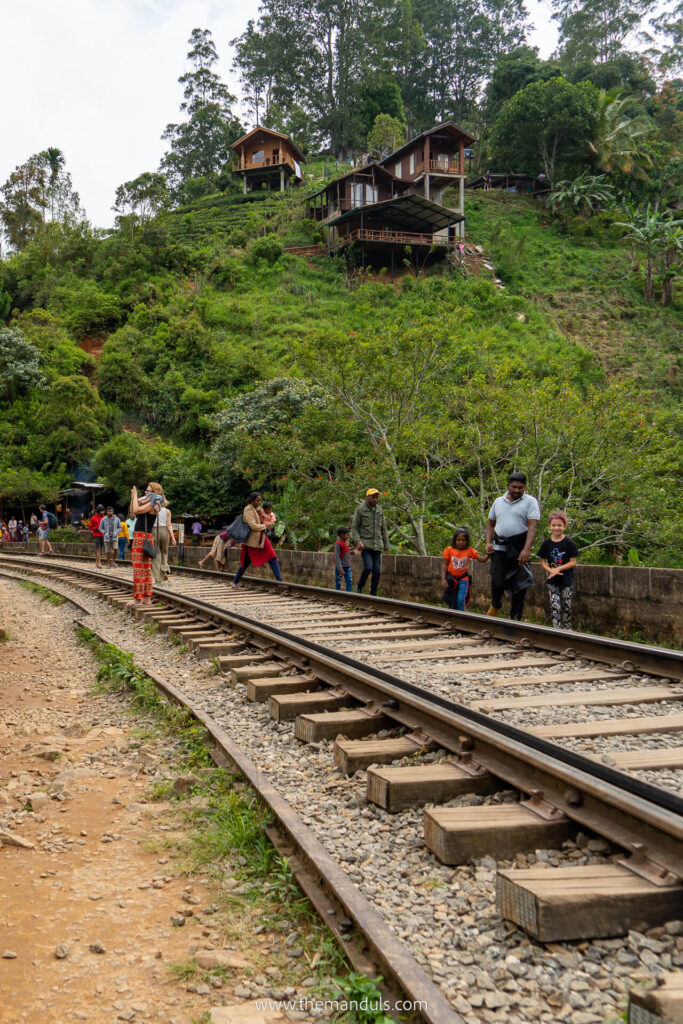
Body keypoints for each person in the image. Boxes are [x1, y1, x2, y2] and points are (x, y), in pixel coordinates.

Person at [485, 472, 540, 620]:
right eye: (514, 487)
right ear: (508, 486)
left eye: (520, 488)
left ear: (524, 487)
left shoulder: (530, 502)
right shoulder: (498, 501)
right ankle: (495, 604)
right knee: (497, 581)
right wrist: (488, 542)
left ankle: (515, 618)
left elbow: (532, 527)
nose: (516, 490)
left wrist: (526, 550)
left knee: (520, 586)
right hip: (500, 548)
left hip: (519, 548)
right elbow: (490, 525)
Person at [232, 491, 283, 586]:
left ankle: (280, 582)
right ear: (252, 500)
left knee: (272, 556)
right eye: (257, 501)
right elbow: (253, 526)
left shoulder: (258, 508)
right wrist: (265, 526)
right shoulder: (248, 509)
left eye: (260, 501)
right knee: (246, 561)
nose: (259, 503)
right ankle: (235, 581)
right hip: (251, 540)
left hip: (261, 538)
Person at [538, 512, 579, 630]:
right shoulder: (546, 544)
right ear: (549, 526)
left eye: (559, 525)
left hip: (567, 579)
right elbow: (542, 562)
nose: (556, 528)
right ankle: (556, 628)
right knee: (555, 604)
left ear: (564, 526)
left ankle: (567, 627)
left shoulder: (569, 543)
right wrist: (551, 570)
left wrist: (558, 569)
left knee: (567, 604)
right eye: (554, 525)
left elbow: (573, 562)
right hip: (552, 579)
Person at [350, 488, 390, 596]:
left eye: (376, 497)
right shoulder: (360, 509)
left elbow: (384, 529)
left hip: (377, 545)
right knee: (368, 567)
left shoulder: (380, 510)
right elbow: (354, 528)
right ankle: (359, 586)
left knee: (377, 571)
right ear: (368, 497)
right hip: (365, 545)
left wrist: (387, 546)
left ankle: (373, 594)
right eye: (373, 497)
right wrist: (358, 541)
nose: (375, 499)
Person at [128, 482, 162, 606]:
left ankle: (138, 599)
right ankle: (147, 598)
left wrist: (135, 495)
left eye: (149, 491)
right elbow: (133, 510)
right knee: (146, 569)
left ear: (155, 492)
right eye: (146, 491)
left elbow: (136, 510)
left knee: (138, 569)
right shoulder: (152, 503)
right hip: (144, 537)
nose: (146, 493)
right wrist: (133, 498)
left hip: (141, 538)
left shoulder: (152, 504)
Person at [441, 527, 489, 611]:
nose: (461, 542)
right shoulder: (449, 550)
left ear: (467, 541)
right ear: (454, 540)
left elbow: (481, 560)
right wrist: (443, 579)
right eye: (458, 540)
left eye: (463, 540)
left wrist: (488, 555)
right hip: (451, 579)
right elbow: (444, 565)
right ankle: (453, 616)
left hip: (463, 579)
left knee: (460, 600)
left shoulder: (469, 550)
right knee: (452, 599)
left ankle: (461, 617)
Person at [151, 495, 176, 584]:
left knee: (156, 554)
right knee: (164, 552)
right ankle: (164, 569)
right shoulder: (167, 511)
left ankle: (158, 578)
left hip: (154, 531)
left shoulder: (152, 510)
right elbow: (169, 524)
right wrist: (173, 537)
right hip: (165, 531)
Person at [334, 526, 353, 592]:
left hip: (347, 566)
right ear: (342, 535)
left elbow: (347, 553)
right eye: (347, 535)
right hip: (340, 567)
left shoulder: (346, 543)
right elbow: (337, 557)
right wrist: (340, 568)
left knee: (349, 581)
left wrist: (355, 551)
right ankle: (337, 593)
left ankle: (349, 594)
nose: (348, 536)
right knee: (338, 581)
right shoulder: (338, 544)